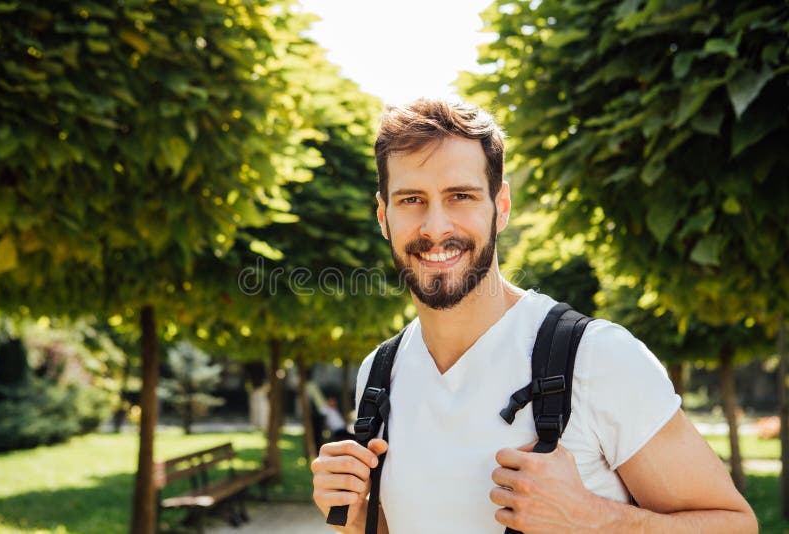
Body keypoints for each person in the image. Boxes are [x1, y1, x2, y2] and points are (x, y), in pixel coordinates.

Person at [310, 99, 757, 533]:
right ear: (383, 216)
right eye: (411, 199)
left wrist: (595, 522)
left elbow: (736, 525)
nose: (435, 227)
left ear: (500, 207)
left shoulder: (598, 357)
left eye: (460, 195)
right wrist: (358, 520)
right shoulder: (379, 374)